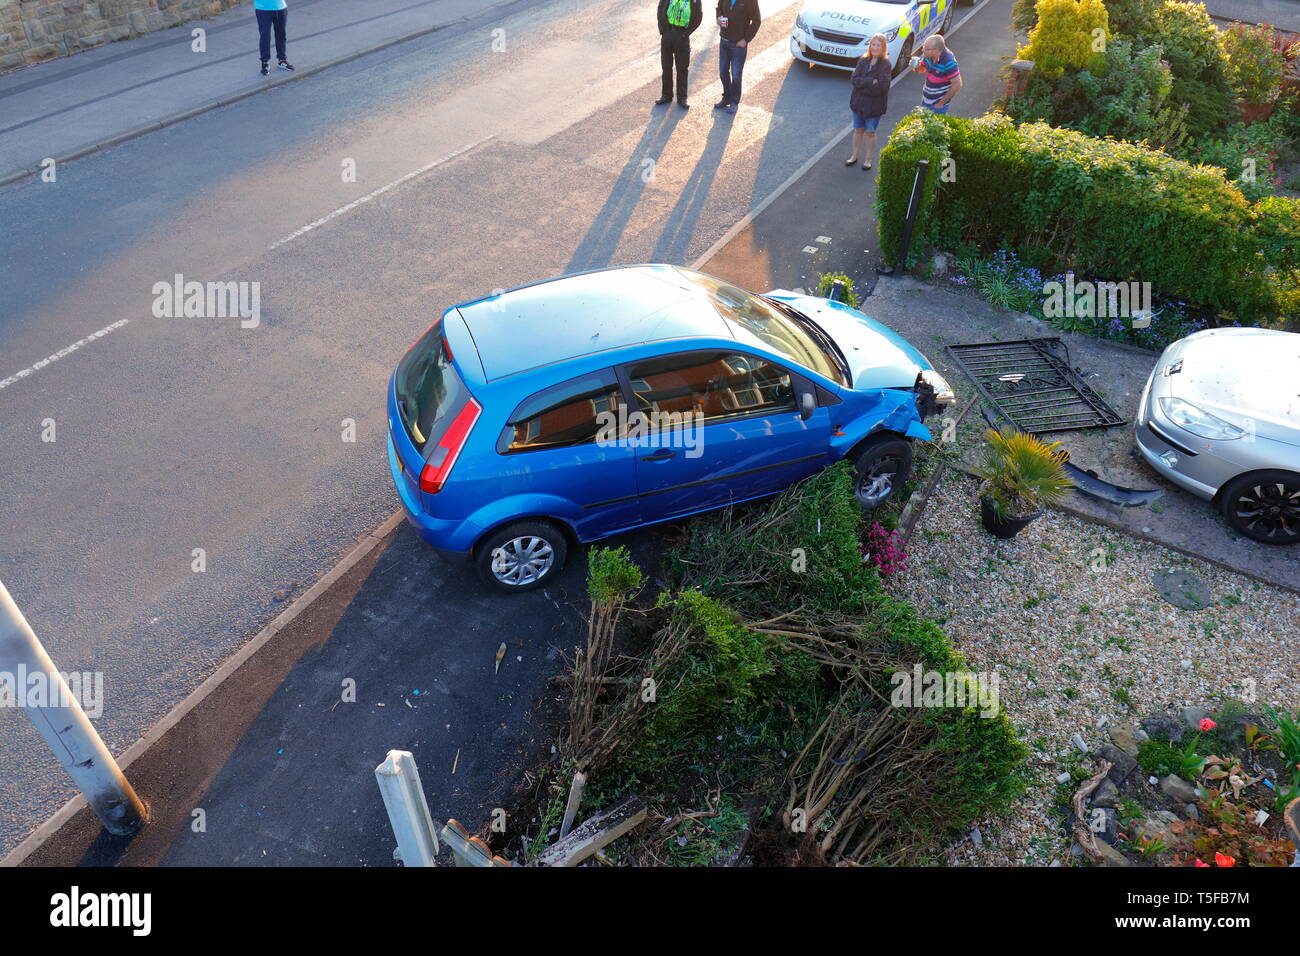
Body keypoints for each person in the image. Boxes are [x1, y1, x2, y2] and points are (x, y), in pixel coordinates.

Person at [846, 33, 891, 170]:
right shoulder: (863, 60)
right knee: (858, 130)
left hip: (874, 106)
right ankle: (854, 156)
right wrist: (871, 81)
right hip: (859, 103)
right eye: (873, 44)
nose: (875, 47)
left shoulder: (885, 64)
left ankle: (868, 160)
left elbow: (882, 87)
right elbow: (854, 80)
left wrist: (863, 84)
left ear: (883, 47)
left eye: (878, 45)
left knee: (870, 132)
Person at [714, 0, 761, 114]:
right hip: (724, 40)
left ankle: (734, 102)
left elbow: (756, 21)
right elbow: (719, 7)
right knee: (723, 71)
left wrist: (746, 40)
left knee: (736, 74)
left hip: (738, 45)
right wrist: (719, 18)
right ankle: (727, 97)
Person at [656, 0, 703, 109]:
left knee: (682, 68)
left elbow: (698, 18)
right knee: (666, 67)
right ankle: (666, 95)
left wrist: (686, 34)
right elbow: (660, 8)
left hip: (682, 36)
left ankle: (682, 97)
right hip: (668, 35)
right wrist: (663, 30)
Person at [912, 34, 960, 114]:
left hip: (937, 106)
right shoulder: (927, 56)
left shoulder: (948, 62)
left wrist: (941, 103)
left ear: (935, 50)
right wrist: (916, 66)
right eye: (923, 46)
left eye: (926, 48)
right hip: (926, 100)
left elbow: (957, 84)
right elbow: (921, 70)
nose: (922, 50)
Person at [255, 0, 294, 76]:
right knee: (265, 36)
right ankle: (265, 62)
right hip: (263, 9)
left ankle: (282, 60)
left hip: (281, 7)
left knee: (281, 35)